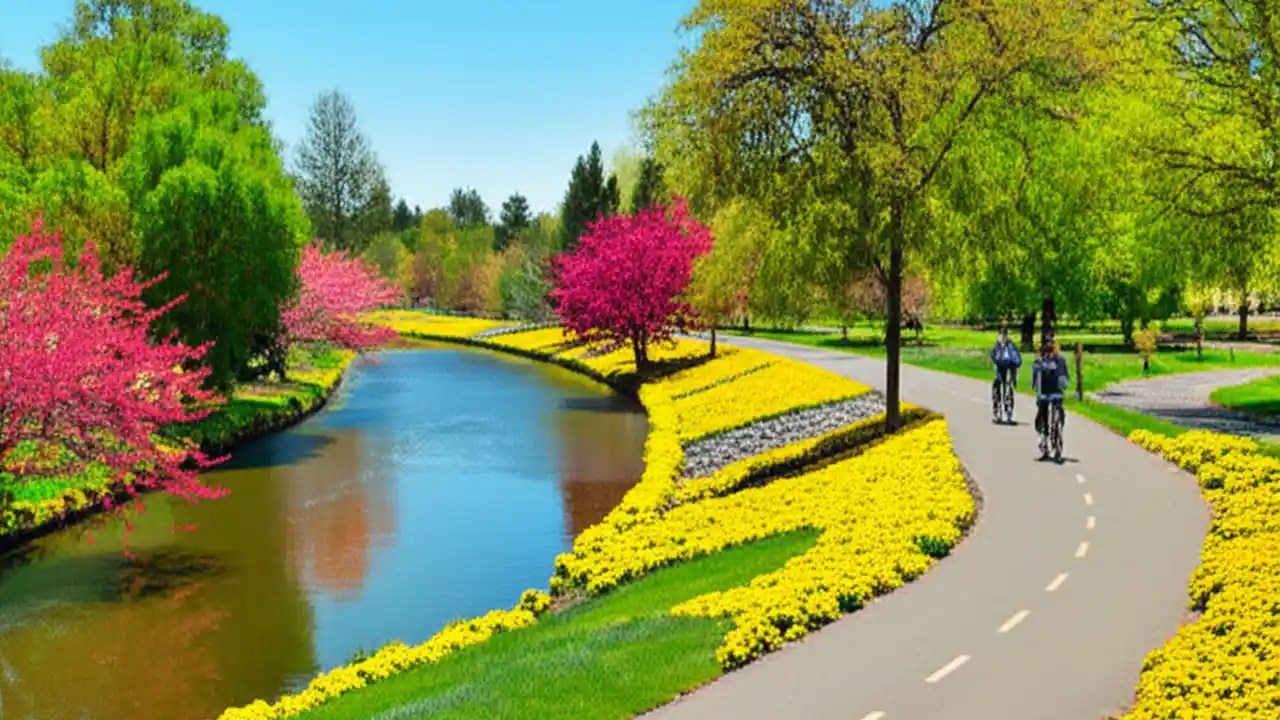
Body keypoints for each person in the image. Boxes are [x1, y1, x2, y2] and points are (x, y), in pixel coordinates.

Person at [1032, 338, 1070, 459]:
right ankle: (1055, 431)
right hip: (1055, 393)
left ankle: (1046, 439)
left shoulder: (1039, 362)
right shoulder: (1060, 360)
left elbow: (1035, 382)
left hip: (1046, 393)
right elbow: (1065, 378)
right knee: (1055, 411)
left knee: (1043, 416)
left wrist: (1037, 391)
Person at [990, 328, 1021, 420]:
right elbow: (993, 356)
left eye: (1005, 335)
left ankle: (1009, 410)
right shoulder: (997, 346)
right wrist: (997, 359)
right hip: (1000, 367)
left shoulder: (1011, 346)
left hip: (1010, 367)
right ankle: (997, 408)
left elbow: (1017, 357)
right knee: (997, 384)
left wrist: (1016, 363)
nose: (1003, 337)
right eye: (1001, 335)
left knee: (1008, 387)